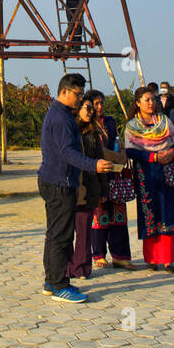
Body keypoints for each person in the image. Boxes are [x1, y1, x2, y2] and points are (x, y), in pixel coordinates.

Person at [37, 73, 115, 301]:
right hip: (59, 183)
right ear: (64, 91)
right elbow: (67, 152)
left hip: (56, 180)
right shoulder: (60, 118)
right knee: (61, 237)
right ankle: (59, 284)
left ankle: (52, 280)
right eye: (78, 94)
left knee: (55, 235)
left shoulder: (61, 114)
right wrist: (94, 165)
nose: (80, 99)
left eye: (82, 94)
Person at [124, 87, 174, 270]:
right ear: (138, 103)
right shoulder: (132, 126)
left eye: (153, 99)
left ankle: (167, 259)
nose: (151, 103)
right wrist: (152, 157)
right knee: (149, 213)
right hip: (145, 174)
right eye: (147, 100)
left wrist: (171, 152)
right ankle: (151, 258)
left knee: (167, 211)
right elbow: (130, 150)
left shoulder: (165, 121)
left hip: (166, 172)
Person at [69, 98, 125, 280]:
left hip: (90, 188)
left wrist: (103, 188)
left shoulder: (95, 132)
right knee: (68, 232)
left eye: (93, 108)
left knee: (85, 231)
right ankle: (68, 267)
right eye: (88, 107)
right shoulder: (69, 132)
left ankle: (83, 268)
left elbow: (100, 159)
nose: (91, 110)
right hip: (71, 187)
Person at [86, 90, 140, 269]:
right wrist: (116, 157)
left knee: (118, 217)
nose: (100, 107)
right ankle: (98, 254)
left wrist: (123, 154)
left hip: (115, 175)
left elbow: (118, 140)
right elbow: (96, 149)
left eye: (102, 103)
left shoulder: (109, 121)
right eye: (96, 104)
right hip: (98, 174)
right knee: (99, 217)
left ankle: (121, 256)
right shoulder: (86, 124)